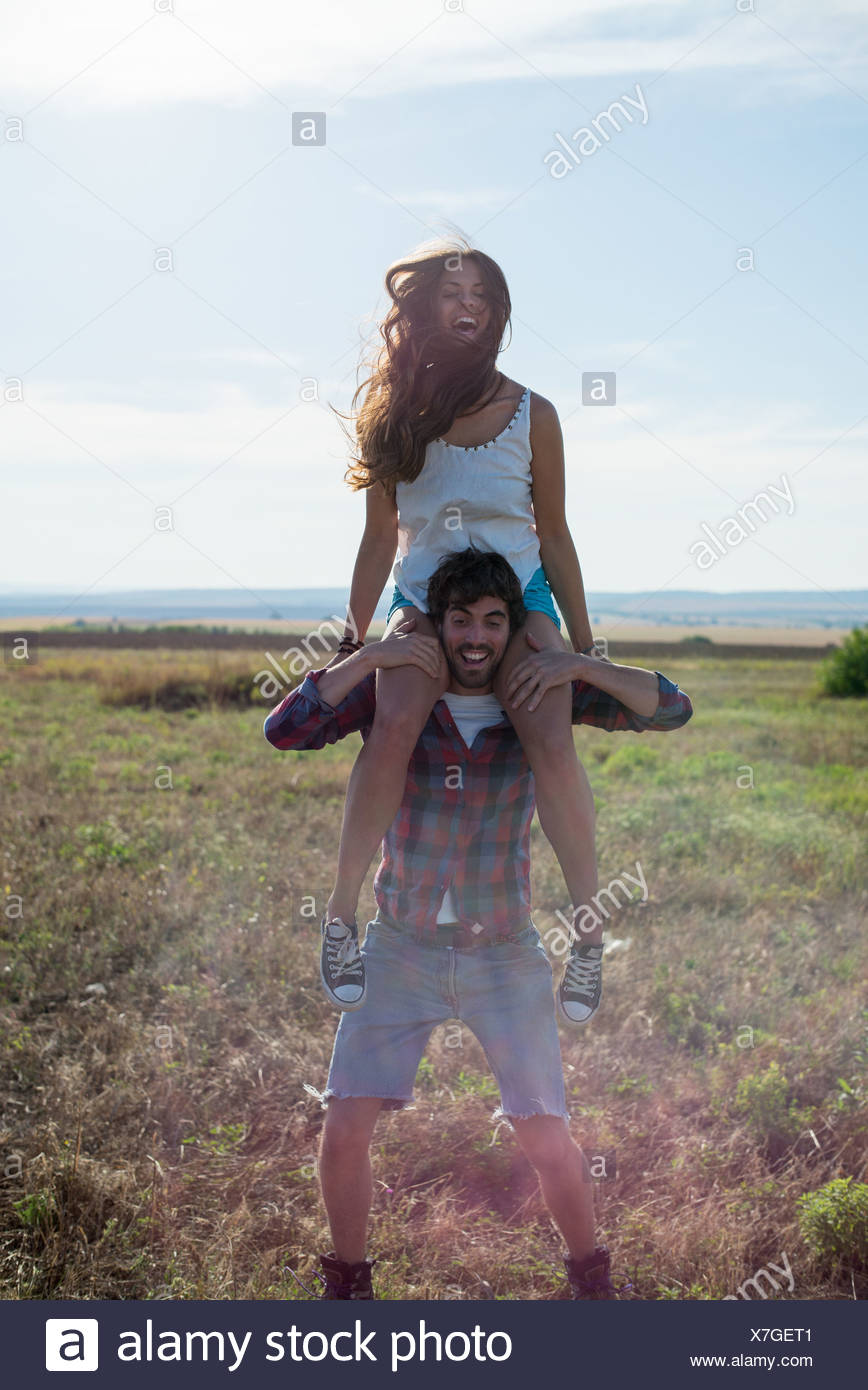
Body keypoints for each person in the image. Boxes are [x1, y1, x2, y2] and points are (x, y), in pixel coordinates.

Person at [263, 548, 694, 1300]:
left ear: (511, 630)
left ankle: (591, 1282)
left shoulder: (535, 695)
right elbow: (286, 729)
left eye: (494, 621)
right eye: (460, 619)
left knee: (544, 1133)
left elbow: (673, 708)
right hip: (399, 948)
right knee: (345, 1122)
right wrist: (376, 653)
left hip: (505, 955)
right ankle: (348, 1285)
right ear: (438, 623)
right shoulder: (400, 697)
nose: (475, 637)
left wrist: (579, 667)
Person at [319, 235, 604, 1020]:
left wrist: (582, 647)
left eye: (483, 293)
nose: (469, 303)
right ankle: (340, 919)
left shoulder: (535, 414)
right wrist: (354, 639)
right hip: (424, 603)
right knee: (397, 720)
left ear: (499, 312)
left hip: (518, 601)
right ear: (423, 309)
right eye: (453, 290)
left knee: (550, 735)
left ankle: (586, 938)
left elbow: (555, 535)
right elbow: (381, 539)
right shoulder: (393, 416)